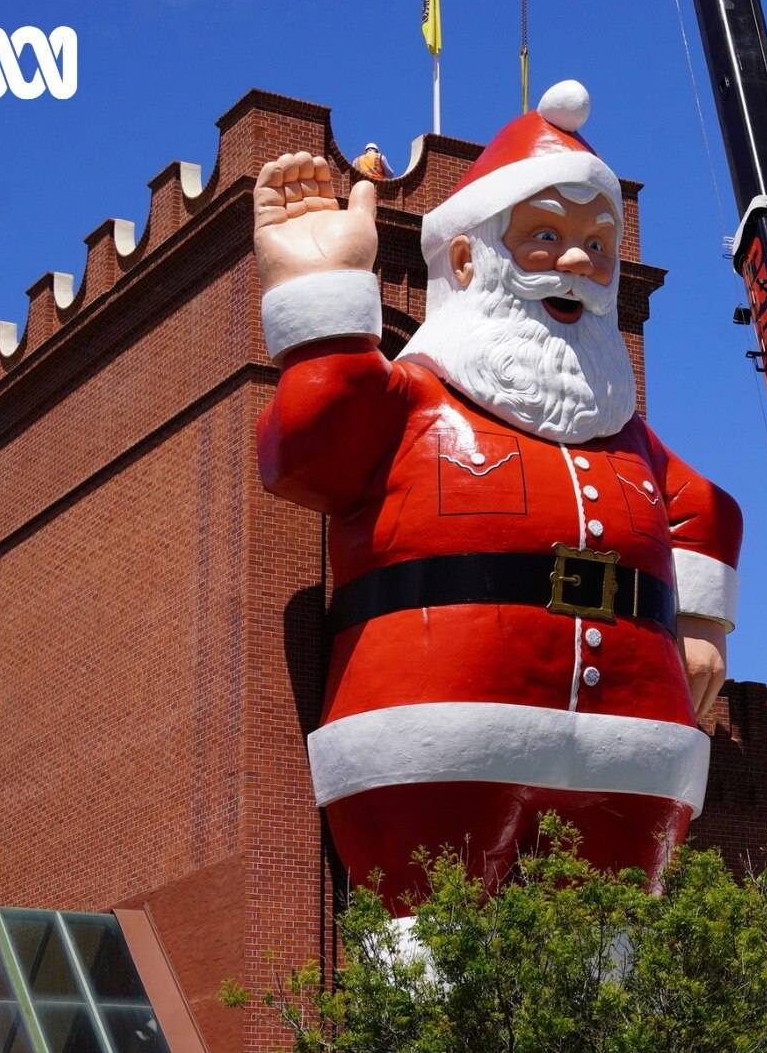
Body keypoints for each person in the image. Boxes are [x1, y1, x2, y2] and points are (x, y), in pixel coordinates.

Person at [254, 80, 742, 911]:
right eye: (545, 236)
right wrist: (323, 297)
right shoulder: (410, 401)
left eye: (598, 242)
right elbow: (307, 449)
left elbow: (706, 508)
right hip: (437, 732)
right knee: (436, 962)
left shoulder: (626, 434)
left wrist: (696, 624)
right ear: (470, 258)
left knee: (612, 974)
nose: (581, 262)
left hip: (633, 748)